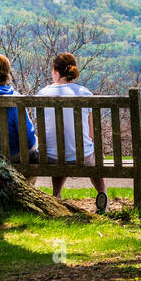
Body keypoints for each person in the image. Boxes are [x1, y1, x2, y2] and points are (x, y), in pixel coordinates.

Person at [37, 52, 108, 213]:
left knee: (58, 148)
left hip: (51, 158)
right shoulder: (84, 93)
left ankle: (56, 195)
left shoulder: (42, 94)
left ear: (55, 72)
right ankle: (102, 193)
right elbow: (91, 134)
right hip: (82, 157)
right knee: (93, 153)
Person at [0, 53, 37, 167]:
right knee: (35, 142)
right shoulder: (14, 99)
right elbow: (28, 138)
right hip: (11, 156)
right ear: (6, 73)